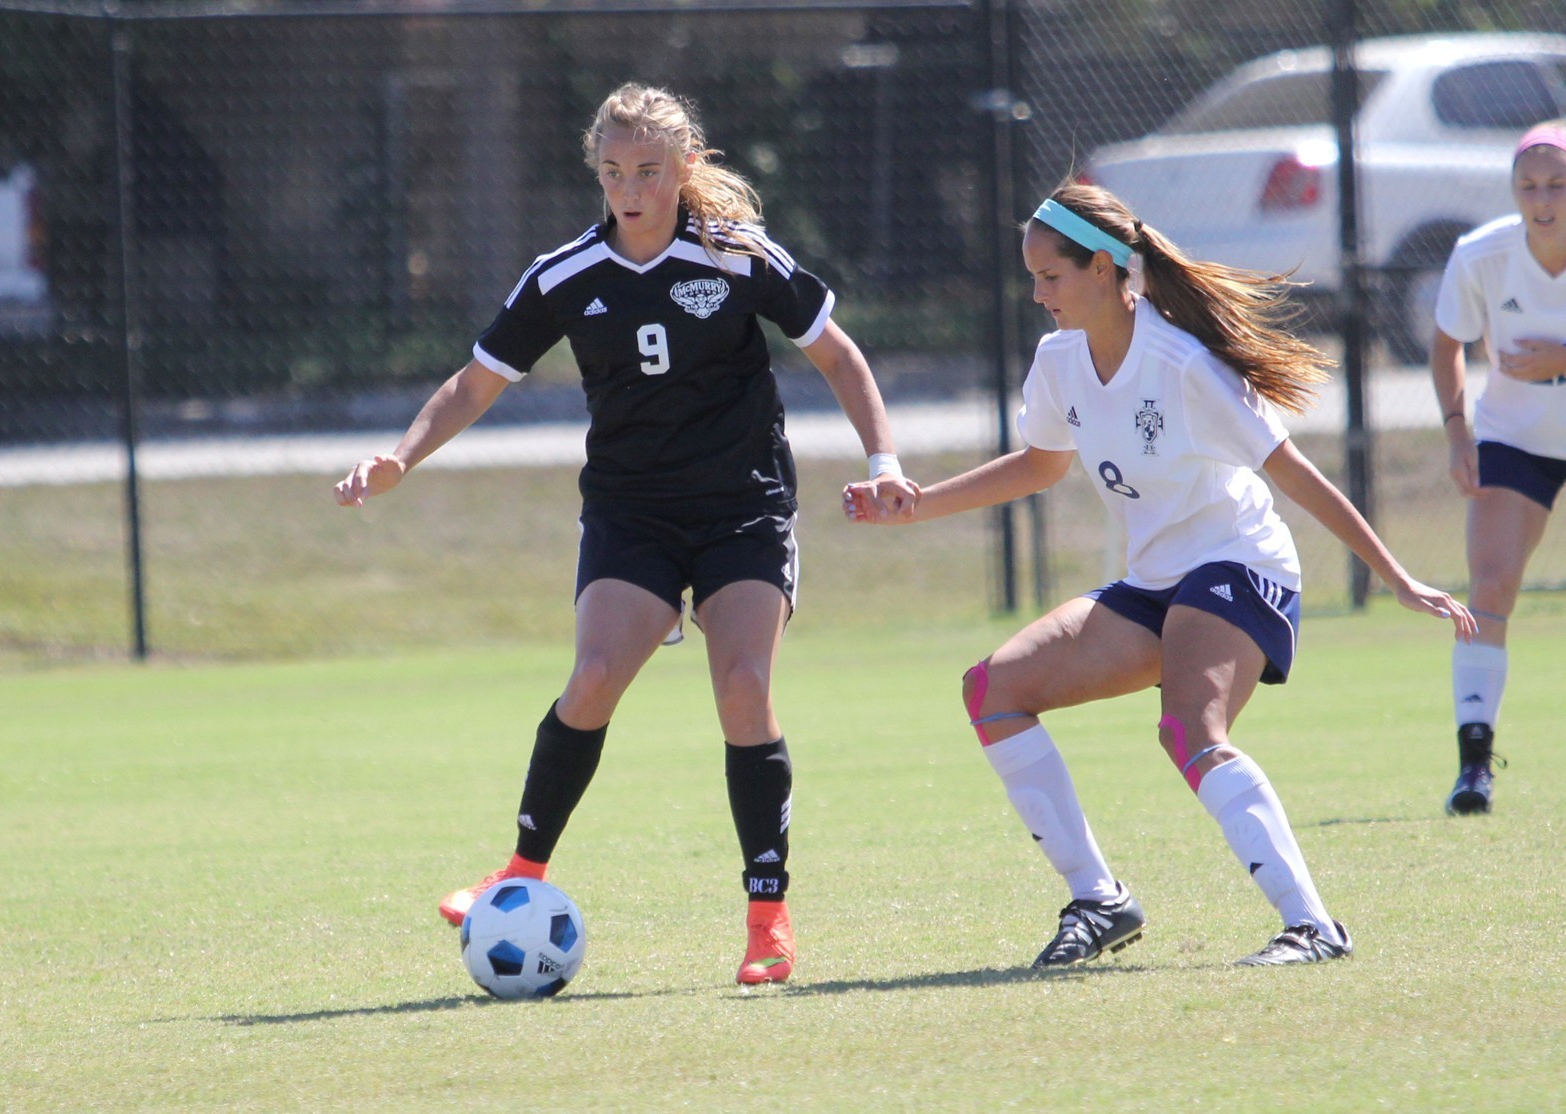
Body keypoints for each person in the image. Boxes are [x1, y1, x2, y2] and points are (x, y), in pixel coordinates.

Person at [335, 83, 913, 985]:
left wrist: (884, 461)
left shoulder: (734, 254)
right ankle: (518, 873)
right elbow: (475, 382)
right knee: (596, 676)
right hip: (631, 512)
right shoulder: (563, 275)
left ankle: (767, 917)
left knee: (744, 687)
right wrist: (399, 460)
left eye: (648, 171)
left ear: (684, 168)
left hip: (743, 506)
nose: (630, 189)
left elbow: (838, 354)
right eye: (613, 172)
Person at [844, 181, 1475, 967]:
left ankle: (1314, 927)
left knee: (1189, 731)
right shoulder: (1059, 359)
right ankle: (1099, 899)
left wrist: (1397, 576)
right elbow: (1041, 465)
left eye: (1050, 276)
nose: (1037, 295)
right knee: (992, 690)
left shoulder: (1184, 364)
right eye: (1032, 278)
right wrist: (917, 507)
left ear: (1103, 267)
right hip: (1155, 584)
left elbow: (1296, 474)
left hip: (1239, 564)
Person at [1430, 121, 1566, 816]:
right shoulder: (1482, 254)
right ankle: (1474, 766)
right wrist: (1458, 432)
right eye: (1529, 186)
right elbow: (1446, 342)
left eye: (1558, 185)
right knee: (1490, 584)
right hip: (1515, 438)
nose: (1543, 201)